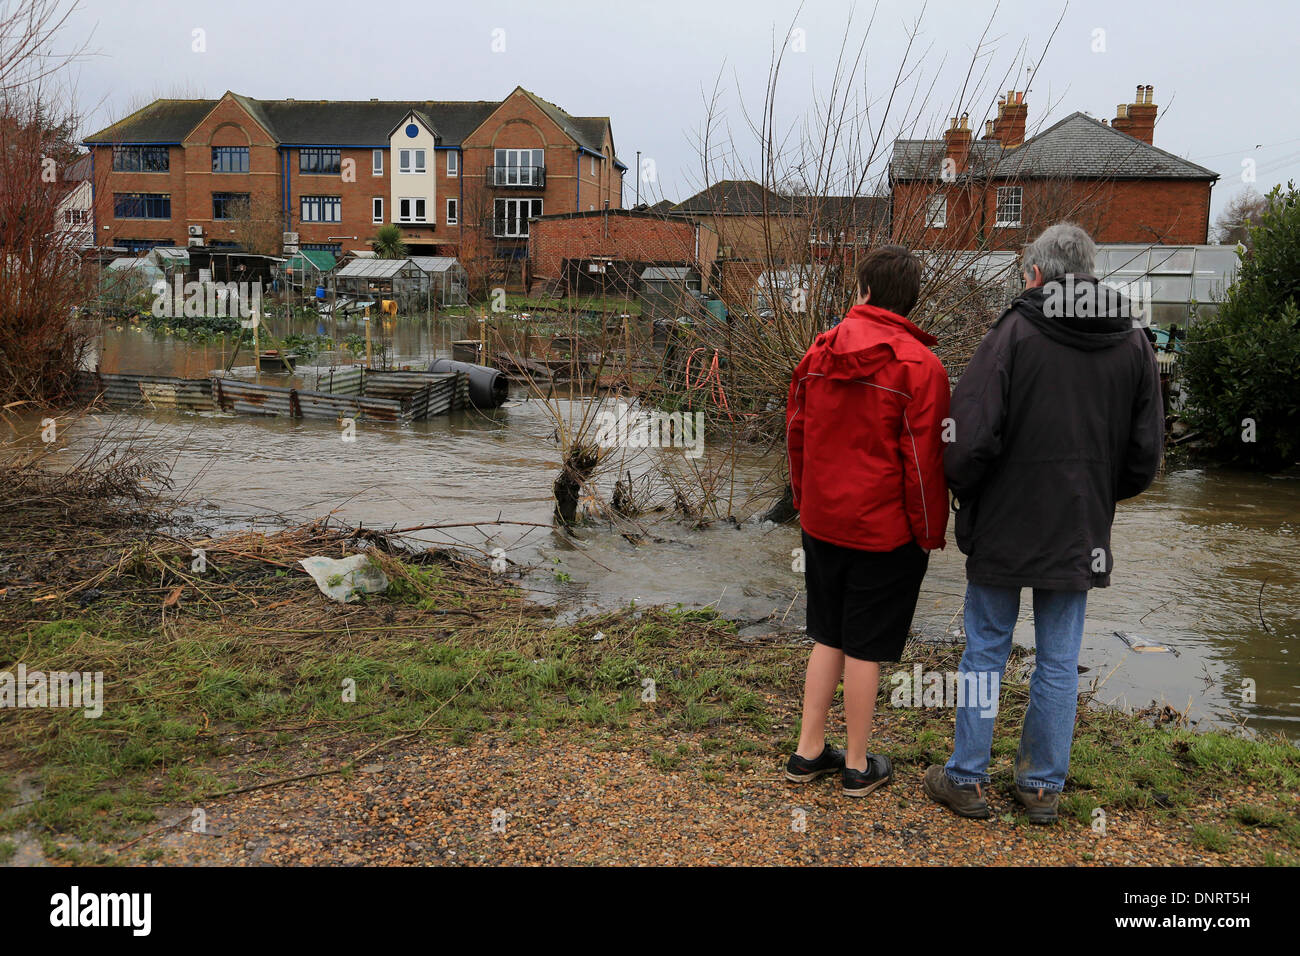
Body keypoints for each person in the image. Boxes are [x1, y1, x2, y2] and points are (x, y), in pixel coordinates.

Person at [924, 222, 1164, 823]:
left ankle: (967, 778)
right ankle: (1039, 786)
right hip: (1079, 527)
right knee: (1059, 657)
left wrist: (964, 489)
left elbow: (968, 438)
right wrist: (1098, 494)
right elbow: (1145, 456)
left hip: (1005, 519)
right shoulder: (1133, 342)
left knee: (984, 650)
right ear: (1090, 272)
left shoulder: (1013, 333)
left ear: (1035, 274)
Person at [784, 244, 950, 796]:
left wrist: (806, 501)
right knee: (865, 645)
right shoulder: (922, 367)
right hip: (884, 532)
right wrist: (929, 533)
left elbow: (797, 434)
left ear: (864, 291)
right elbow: (924, 465)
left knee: (826, 633)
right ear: (911, 300)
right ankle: (857, 763)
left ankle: (808, 751)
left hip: (823, 522)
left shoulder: (818, 352)